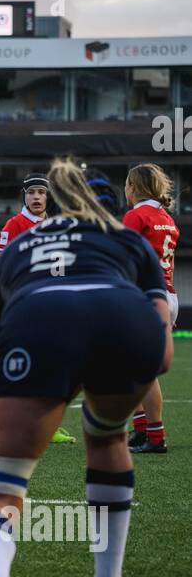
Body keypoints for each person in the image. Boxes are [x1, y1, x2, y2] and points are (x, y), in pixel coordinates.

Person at [0, 156, 172, 577]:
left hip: (40, 321)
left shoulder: (21, 244)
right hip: (126, 324)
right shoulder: (129, 240)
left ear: (56, 205)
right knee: (107, 435)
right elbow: (165, 355)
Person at [0, 173, 75, 445]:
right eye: (32, 192)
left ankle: (48, 424)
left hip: (50, 305)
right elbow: (2, 267)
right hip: (21, 304)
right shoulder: (14, 225)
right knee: (4, 362)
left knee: (51, 365)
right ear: (24, 196)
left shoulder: (57, 225)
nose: (37, 197)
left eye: (42, 192)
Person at [122, 164, 180, 455]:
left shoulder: (136, 215)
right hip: (166, 295)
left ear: (133, 186)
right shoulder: (164, 216)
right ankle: (142, 430)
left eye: (126, 184)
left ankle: (155, 437)